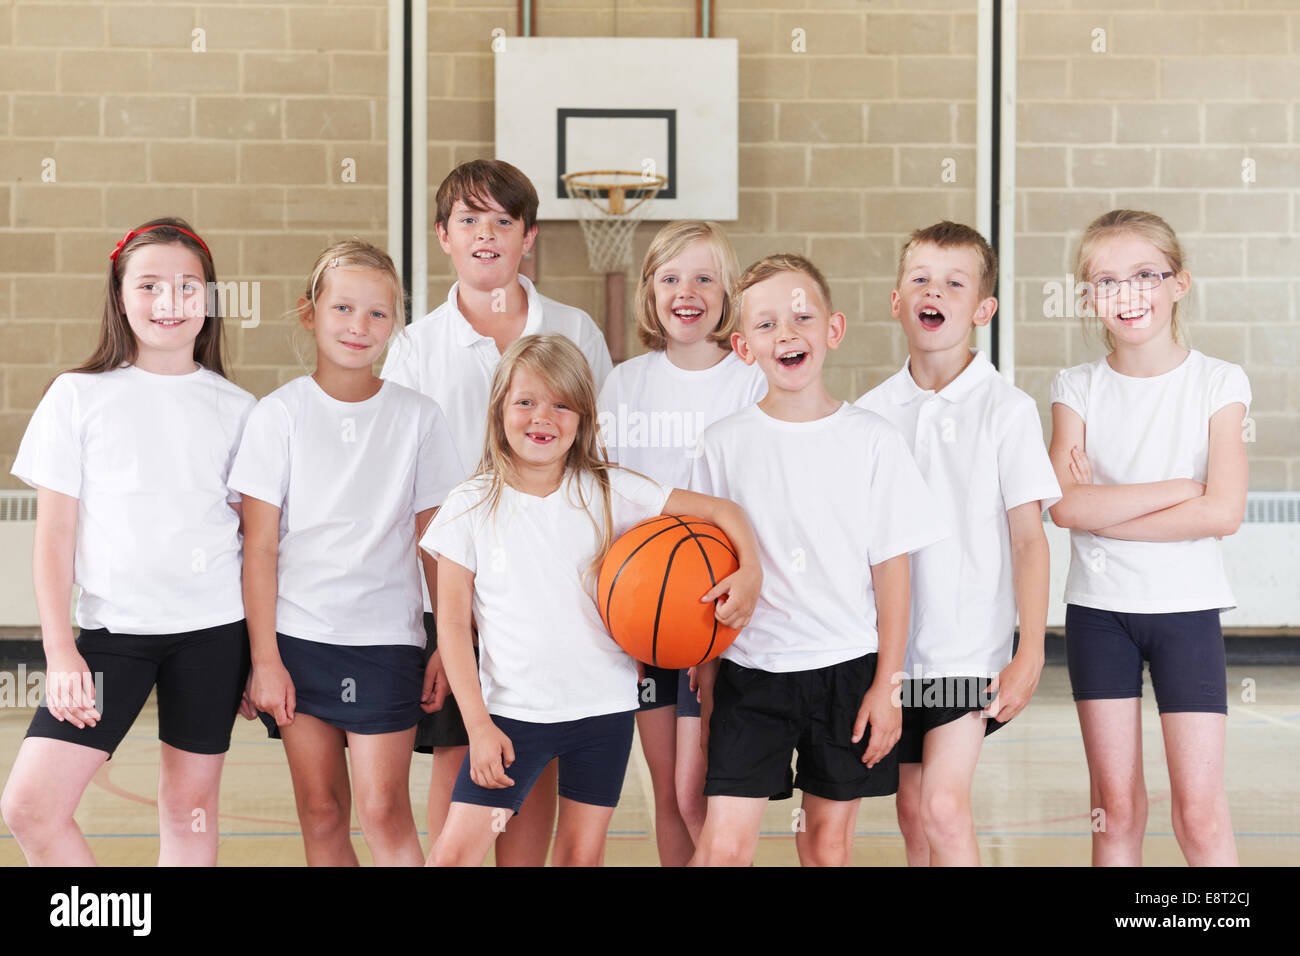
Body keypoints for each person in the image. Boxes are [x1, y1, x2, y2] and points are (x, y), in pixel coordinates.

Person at [422, 334, 761, 867]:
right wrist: (479, 726)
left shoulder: (611, 490)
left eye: (562, 404)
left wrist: (751, 573)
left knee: (580, 857)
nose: (543, 417)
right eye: (526, 401)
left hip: (602, 713)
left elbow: (723, 511)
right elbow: (453, 630)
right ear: (499, 410)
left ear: (583, 419)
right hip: (512, 719)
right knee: (454, 855)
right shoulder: (470, 504)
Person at [1, 218, 254, 866]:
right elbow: (55, 537)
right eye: (149, 286)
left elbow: (258, 545)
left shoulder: (239, 409)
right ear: (120, 296)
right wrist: (59, 652)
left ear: (211, 299)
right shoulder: (77, 398)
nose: (169, 303)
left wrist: (263, 654)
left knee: (189, 812)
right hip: (114, 637)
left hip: (214, 633)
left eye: (187, 286)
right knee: (31, 807)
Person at [382, 160, 613, 863]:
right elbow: (414, 498)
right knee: (461, 769)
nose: (487, 234)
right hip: (457, 596)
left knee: (529, 770)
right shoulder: (414, 349)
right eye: (469, 219)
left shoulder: (575, 330)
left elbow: (597, 469)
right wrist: (439, 623)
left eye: (503, 220)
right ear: (444, 236)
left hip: (552, 602)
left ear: (529, 237)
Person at [690, 254, 947, 867]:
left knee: (827, 843)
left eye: (802, 317)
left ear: (832, 329)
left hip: (847, 671)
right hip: (750, 671)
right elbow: (704, 565)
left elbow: (893, 572)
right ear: (743, 346)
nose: (787, 333)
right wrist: (705, 675)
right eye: (767, 324)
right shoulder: (722, 444)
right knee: (724, 845)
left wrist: (888, 685)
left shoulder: (873, 440)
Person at [232, 241, 462, 866]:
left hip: (387, 641)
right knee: (321, 811)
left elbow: (434, 544)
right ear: (310, 314)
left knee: (384, 809)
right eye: (343, 308)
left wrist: (447, 640)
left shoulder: (418, 418)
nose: (359, 326)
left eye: (378, 314)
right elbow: (258, 550)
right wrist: (265, 659)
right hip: (298, 642)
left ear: (396, 325)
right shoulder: (278, 415)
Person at [1048, 209, 1249, 867]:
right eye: (1106, 281)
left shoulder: (1218, 382)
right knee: (1117, 809)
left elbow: (1222, 513)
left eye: (1143, 275)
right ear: (1088, 296)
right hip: (1099, 615)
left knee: (1198, 810)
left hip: (1186, 614)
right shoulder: (1076, 388)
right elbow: (1064, 508)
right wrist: (1176, 489)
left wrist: (1101, 510)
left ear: (1179, 283)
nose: (1126, 294)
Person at [856, 221, 1060, 866]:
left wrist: (1031, 651)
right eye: (919, 278)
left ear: (982, 308)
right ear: (897, 299)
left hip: (965, 652)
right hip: (892, 655)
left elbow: (1029, 539)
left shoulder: (1007, 409)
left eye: (953, 281)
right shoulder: (869, 413)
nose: (933, 290)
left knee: (943, 805)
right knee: (913, 810)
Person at [596, 220, 766, 864]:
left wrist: (724, 624)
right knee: (668, 794)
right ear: (650, 291)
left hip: (726, 613)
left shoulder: (751, 380)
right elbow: (608, 501)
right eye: (670, 278)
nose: (686, 292)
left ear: (729, 295)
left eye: (704, 278)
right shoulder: (624, 383)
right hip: (644, 613)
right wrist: (622, 612)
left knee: (702, 797)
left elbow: (762, 504)